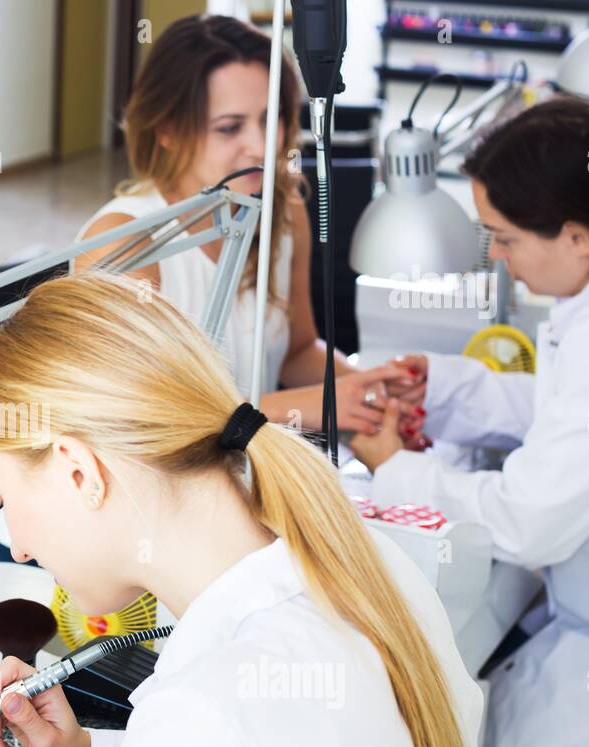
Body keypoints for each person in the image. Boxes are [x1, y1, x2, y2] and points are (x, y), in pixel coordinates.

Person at [0, 272, 483, 747]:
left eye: (7, 500)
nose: (20, 545)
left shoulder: (209, 714)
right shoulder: (372, 563)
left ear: (80, 473)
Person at [352, 96, 589, 747]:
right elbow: (570, 416)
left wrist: (397, 470)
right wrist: (445, 389)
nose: (495, 257)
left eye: (506, 239)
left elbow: (527, 521)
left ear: (576, 237)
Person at [74, 14, 416, 439]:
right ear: (167, 130)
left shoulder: (283, 213)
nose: (260, 145)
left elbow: (295, 351)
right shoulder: (128, 242)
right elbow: (135, 417)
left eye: (269, 119)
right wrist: (297, 407)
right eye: (230, 127)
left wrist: (366, 385)